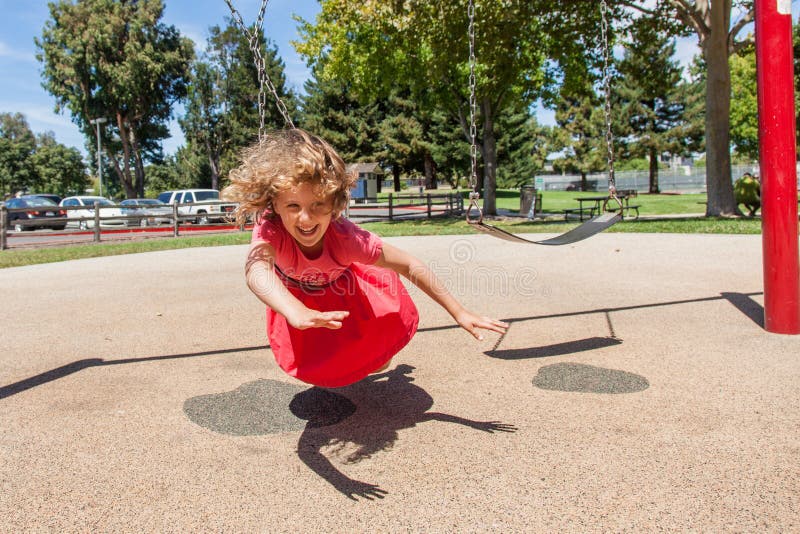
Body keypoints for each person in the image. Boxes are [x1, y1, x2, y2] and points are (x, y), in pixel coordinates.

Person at [223, 128, 508, 388]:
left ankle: (382, 364)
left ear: (334, 203)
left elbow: (409, 264)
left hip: (346, 293)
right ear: (275, 205)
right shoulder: (272, 229)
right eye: (293, 205)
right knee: (318, 368)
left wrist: (458, 311)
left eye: (318, 204)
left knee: (377, 360)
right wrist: (294, 309)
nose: (306, 218)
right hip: (298, 298)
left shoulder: (346, 239)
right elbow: (256, 271)